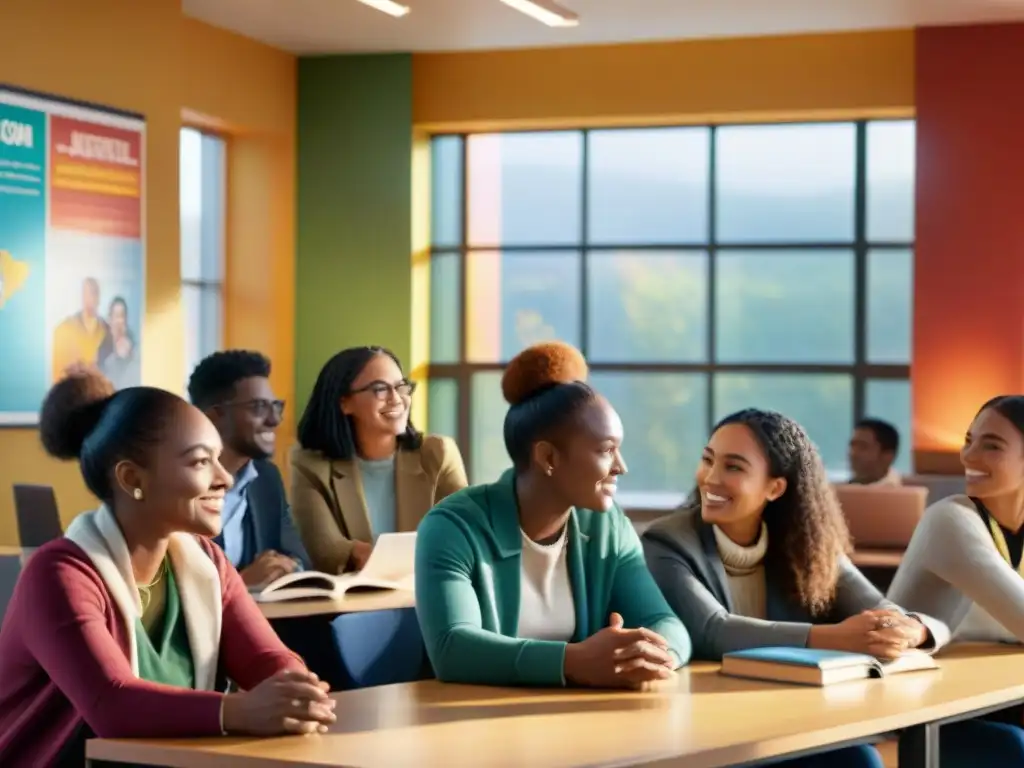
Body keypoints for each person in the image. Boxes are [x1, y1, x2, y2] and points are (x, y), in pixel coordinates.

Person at [0, 372, 336, 767]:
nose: (224, 478)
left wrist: (294, 689)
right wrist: (239, 711)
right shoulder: (58, 575)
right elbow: (113, 705)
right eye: (199, 461)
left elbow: (267, 660)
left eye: (218, 458)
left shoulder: (207, 563)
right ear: (132, 478)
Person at [643, 409, 946, 768]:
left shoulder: (807, 545)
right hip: (706, 732)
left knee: (860, 760)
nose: (710, 478)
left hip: (790, 721)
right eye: (708, 460)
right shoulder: (667, 541)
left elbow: (878, 606)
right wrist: (836, 637)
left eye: (733, 467)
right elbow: (713, 630)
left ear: (775, 487)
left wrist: (913, 629)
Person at [415, 341, 691, 688]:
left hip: (575, 720)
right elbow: (452, 648)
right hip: (470, 725)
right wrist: (575, 661)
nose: (621, 467)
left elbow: (665, 623)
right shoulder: (452, 526)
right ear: (548, 458)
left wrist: (649, 658)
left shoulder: (608, 527)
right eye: (607, 450)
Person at [889, 395, 1024, 765]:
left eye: (991, 445)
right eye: (969, 441)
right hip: (927, 712)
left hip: (997, 698)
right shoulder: (949, 520)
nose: (967, 456)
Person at [291, 346, 467, 574]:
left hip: (428, 593)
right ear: (345, 402)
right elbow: (327, 551)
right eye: (380, 389)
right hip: (354, 602)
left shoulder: (438, 453)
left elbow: (464, 533)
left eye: (401, 386)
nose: (397, 399)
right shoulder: (308, 465)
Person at [188, 350, 310, 587]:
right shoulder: (179, 486)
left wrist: (290, 566)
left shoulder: (266, 478)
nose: (274, 420)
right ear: (214, 416)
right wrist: (240, 585)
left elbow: (297, 555)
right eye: (258, 407)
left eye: (276, 406)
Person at [52, 276, 110, 381]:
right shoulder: (67, 327)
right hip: (75, 388)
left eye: (93, 293)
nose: (90, 298)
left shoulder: (106, 330)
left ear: (99, 298)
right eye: (86, 294)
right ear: (82, 296)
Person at [98, 296, 140, 389]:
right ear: (110, 320)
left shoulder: (135, 349)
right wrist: (117, 357)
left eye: (122, 316)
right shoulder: (103, 350)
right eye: (116, 316)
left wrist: (129, 356)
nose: (120, 321)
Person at [848, 418, 902, 486]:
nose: (853, 453)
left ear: (888, 456)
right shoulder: (842, 490)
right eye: (852, 446)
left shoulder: (903, 493)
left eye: (863, 447)